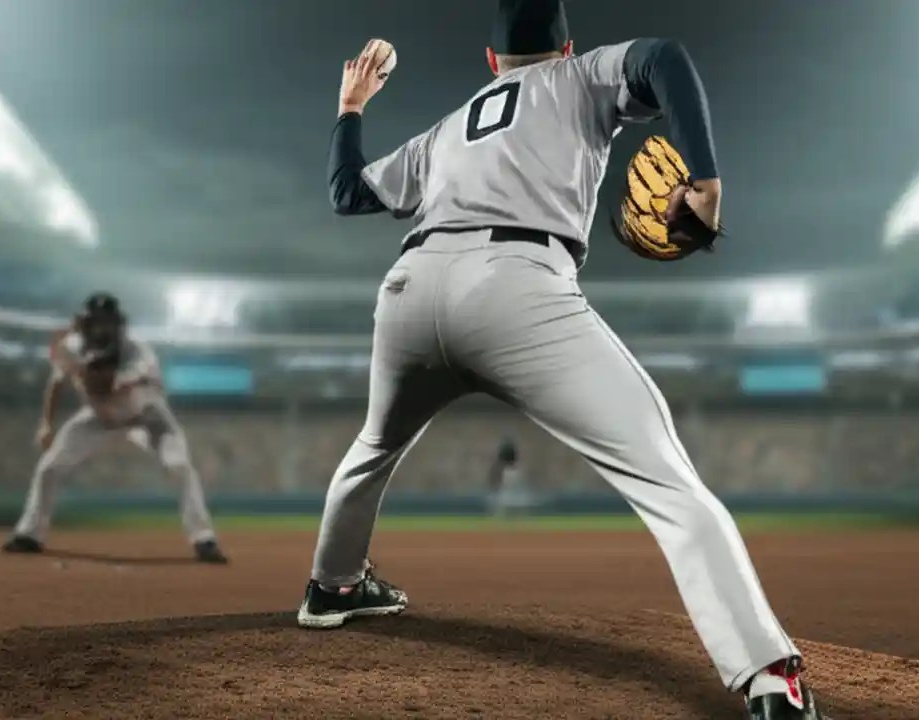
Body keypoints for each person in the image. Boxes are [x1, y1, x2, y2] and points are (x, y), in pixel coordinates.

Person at [298, 2, 826, 717]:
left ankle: (331, 587)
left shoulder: (450, 129)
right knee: (665, 480)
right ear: (566, 46)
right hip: (518, 286)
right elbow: (663, 57)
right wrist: (705, 176)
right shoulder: (578, 76)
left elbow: (346, 192)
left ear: (490, 64)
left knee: (373, 446)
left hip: (408, 291)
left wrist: (351, 106)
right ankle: (768, 677)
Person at [2, 292, 228, 564]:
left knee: (179, 466)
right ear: (84, 322)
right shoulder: (72, 346)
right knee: (49, 467)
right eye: (95, 322)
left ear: (118, 324)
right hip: (99, 416)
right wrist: (46, 424)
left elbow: (107, 383)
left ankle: (204, 539)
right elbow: (56, 384)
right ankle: (29, 535)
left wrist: (82, 364)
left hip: (148, 418)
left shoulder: (138, 352)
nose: (100, 328)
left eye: (105, 322)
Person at [485, 437, 535, 518]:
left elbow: (495, 485)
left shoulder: (508, 470)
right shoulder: (518, 469)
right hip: (515, 500)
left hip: (507, 500)